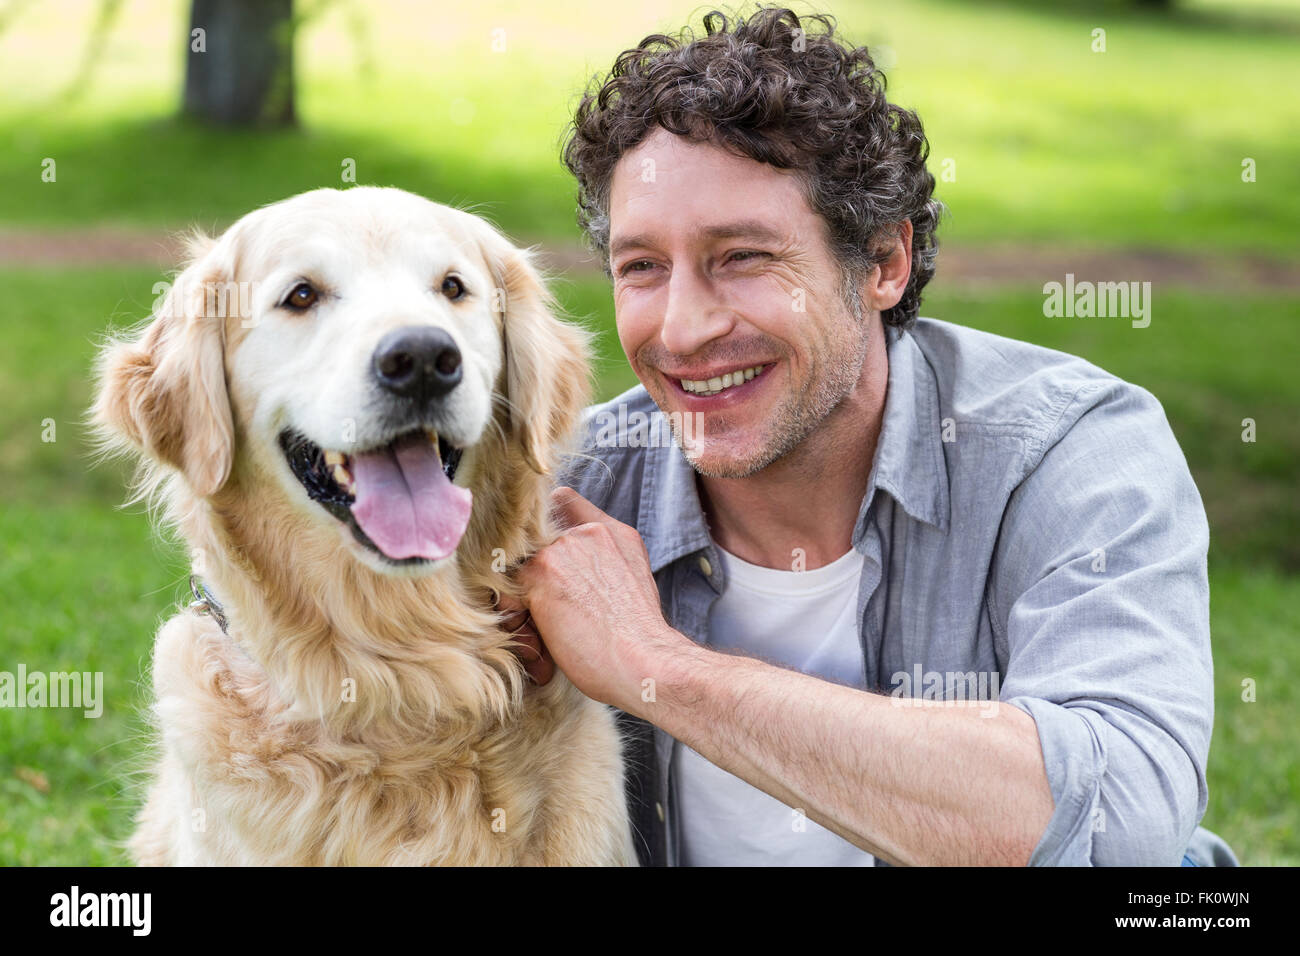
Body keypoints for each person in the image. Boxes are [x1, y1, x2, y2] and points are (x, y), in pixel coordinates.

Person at [504, 6, 1238, 867]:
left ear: (884, 263)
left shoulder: (1067, 451)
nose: (684, 327)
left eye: (742, 256)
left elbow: (1122, 826)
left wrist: (654, 663)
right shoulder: (565, 492)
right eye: (642, 268)